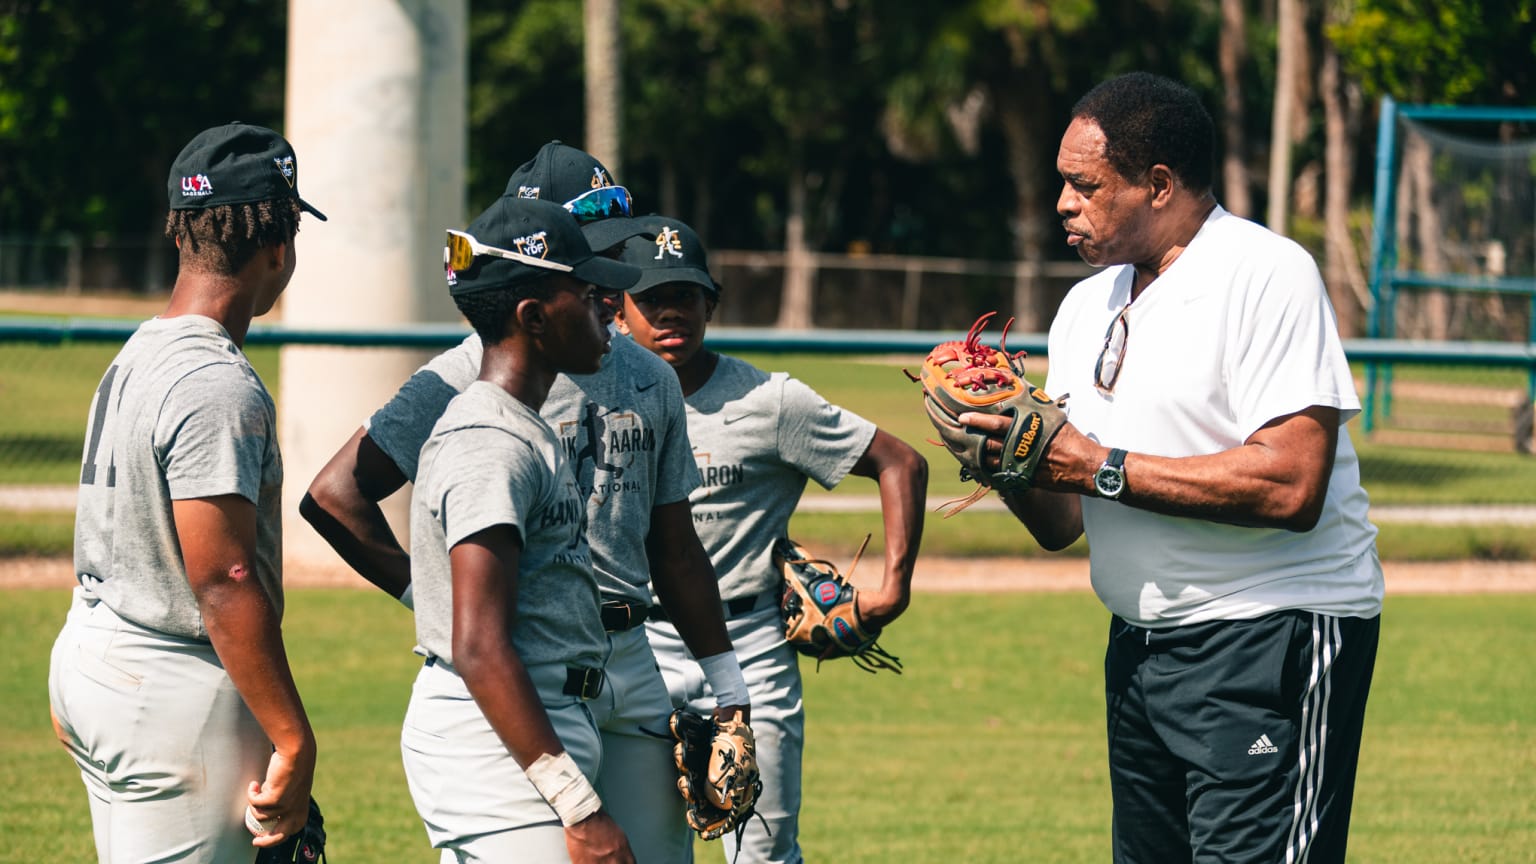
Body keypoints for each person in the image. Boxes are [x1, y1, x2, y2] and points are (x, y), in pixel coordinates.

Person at [961, 72, 1383, 863]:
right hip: (1141, 649)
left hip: (1270, 633)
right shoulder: (1086, 307)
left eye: (1084, 185)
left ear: (1158, 185)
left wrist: (1096, 465)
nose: (1063, 202)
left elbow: (1292, 483)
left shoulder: (1263, 272)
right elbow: (1063, 522)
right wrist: (1001, 458)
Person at [301, 141, 747, 863]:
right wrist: (440, 600)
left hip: (626, 656)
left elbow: (674, 544)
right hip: (514, 665)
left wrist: (728, 685)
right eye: (585, 262)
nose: (607, 286)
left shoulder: (644, 372)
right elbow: (335, 495)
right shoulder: (472, 384)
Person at [47, 122, 326, 861]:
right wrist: (294, 738)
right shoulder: (216, 381)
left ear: (182, 234)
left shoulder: (138, 351)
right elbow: (224, 579)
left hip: (98, 649)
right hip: (168, 689)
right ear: (278, 246)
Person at [611, 215, 928, 864]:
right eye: (651, 298)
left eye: (687, 295)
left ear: (711, 304)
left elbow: (901, 462)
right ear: (617, 312)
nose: (671, 312)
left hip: (748, 643)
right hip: (640, 649)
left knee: (764, 855)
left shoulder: (770, 401)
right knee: (644, 852)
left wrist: (893, 587)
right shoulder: (597, 400)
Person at [403, 194, 642, 862]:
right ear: (533, 317)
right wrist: (579, 807)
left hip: (523, 729)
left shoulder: (520, 426)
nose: (609, 307)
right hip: (496, 748)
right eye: (588, 292)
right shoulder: (490, 443)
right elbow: (479, 645)